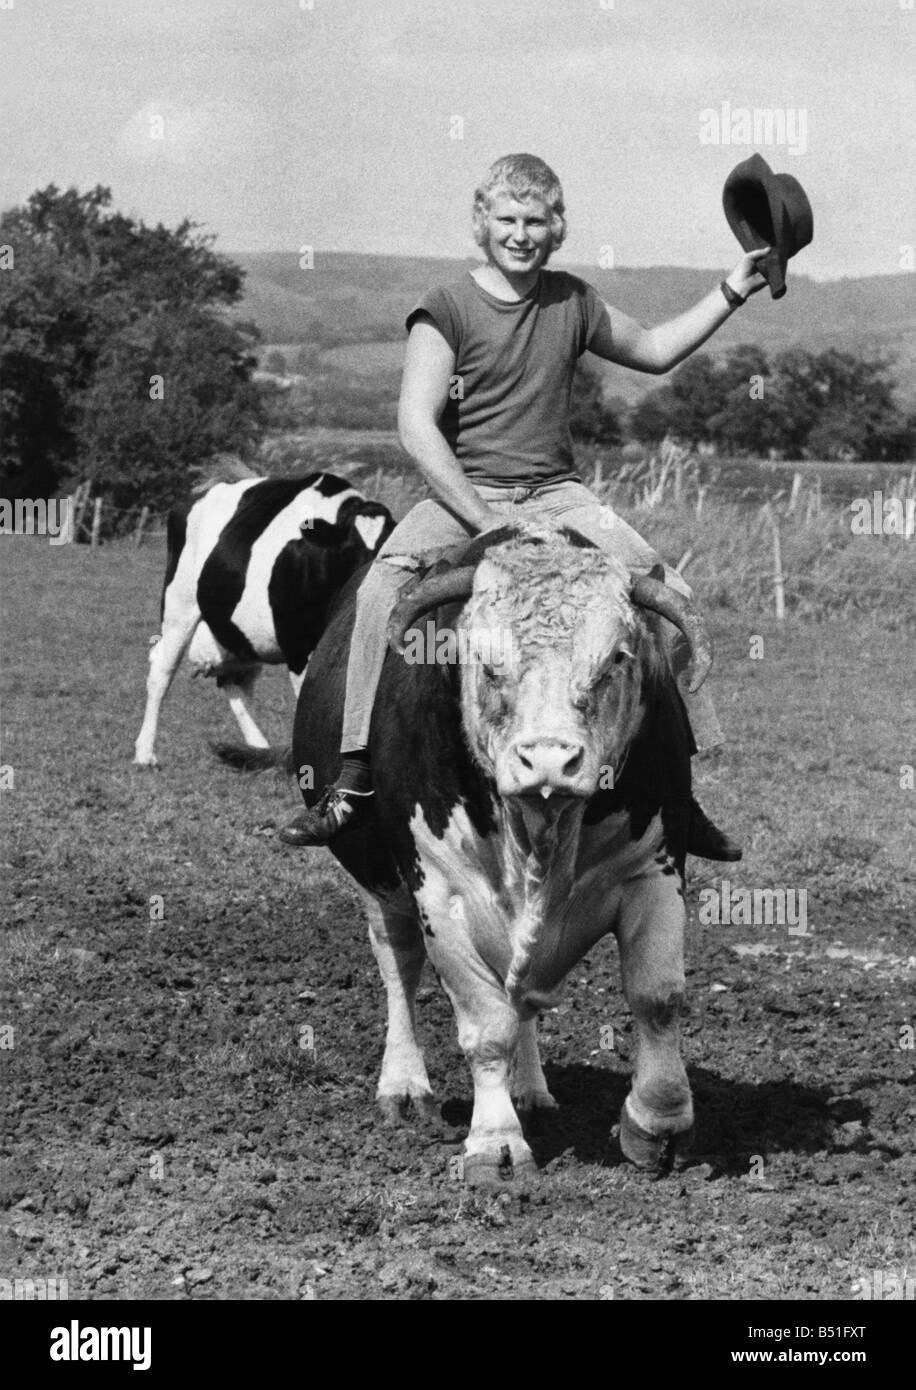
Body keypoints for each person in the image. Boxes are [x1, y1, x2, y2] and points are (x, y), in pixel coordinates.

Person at [282, 153, 767, 852]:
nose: (521, 233)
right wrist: (485, 523)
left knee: (664, 592)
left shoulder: (572, 301)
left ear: (556, 227)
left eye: (535, 221)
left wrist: (734, 288)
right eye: (507, 219)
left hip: (558, 495)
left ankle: (678, 795)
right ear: (483, 223)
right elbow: (416, 427)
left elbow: (657, 350)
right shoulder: (444, 309)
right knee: (383, 589)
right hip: (464, 496)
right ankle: (354, 778)